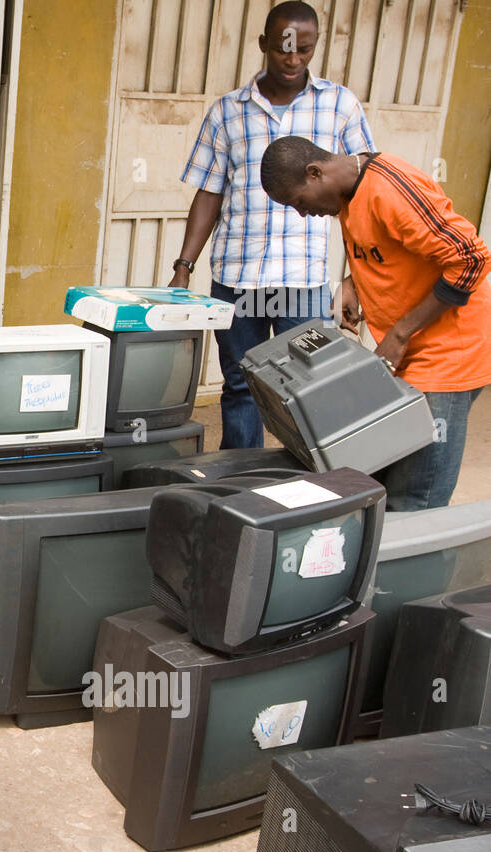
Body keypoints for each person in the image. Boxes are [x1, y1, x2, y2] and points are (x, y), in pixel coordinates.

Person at [169, 0, 375, 449]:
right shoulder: (227, 111)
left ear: (315, 46)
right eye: (284, 48)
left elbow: (363, 189)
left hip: (304, 282)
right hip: (237, 279)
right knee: (241, 386)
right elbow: (209, 191)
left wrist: (356, 279)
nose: (293, 59)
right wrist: (184, 264)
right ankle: (243, 486)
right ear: (264, 43)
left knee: (309, 388)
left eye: (304, 49)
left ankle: (309, 486)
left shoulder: (340, 106)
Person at [260, 136, 491, 511]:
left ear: (315, 172)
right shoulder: (347, 196)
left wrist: (400, 334)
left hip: (447, 356)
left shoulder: (389, 190)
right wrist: (355, 283)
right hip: (407, 356)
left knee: (417, 495)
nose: (303, 214)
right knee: (383, 475)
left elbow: (471, 260)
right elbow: (391, 248)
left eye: (299, 202)